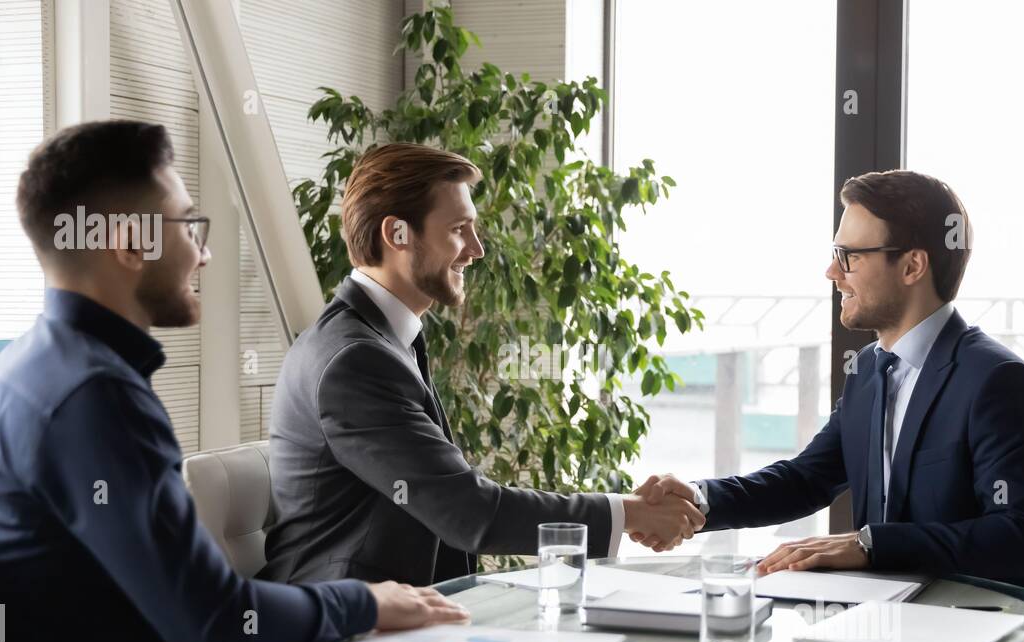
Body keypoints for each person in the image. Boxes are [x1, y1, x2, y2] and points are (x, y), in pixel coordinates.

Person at [0, 120, 468, 642]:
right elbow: (218, 625)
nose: (206, 251)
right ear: (130, 244)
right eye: (190, 225)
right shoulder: (95, 399)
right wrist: (366, 604)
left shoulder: (27, 373)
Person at [634, 170, 1024, 642]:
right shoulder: (870, 370)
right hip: (885, 635)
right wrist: (699, 498)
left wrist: (869, 544)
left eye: (848, 256)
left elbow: (1021, 538)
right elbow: (806, 478)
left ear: (912, 265)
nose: (830, 272)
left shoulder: (998, 381)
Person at [262, 142, 704, 586]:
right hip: (340, 629)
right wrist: (627, 513)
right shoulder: (355, 359)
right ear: (397, 234)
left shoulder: (379, 336)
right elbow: (468, 511)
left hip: (398, 613)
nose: (476, 250)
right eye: (458, 229)